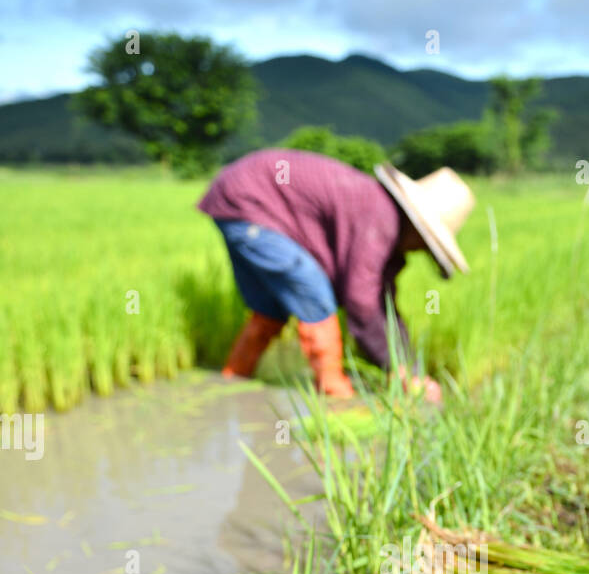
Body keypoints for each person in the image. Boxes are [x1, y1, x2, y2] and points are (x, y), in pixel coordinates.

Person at [197, 149, 475, 401]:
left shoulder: (384, 219)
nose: (419, 251)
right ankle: (334, 395)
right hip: (250, 200)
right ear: (418, 229)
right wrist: (401, 373)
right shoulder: (381, 219)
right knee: (312, 288)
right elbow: (362, 303)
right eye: (426, 245)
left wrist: (409, 368)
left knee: (271, 308)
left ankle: (232, 379)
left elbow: (383, 304)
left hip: (242, 198)